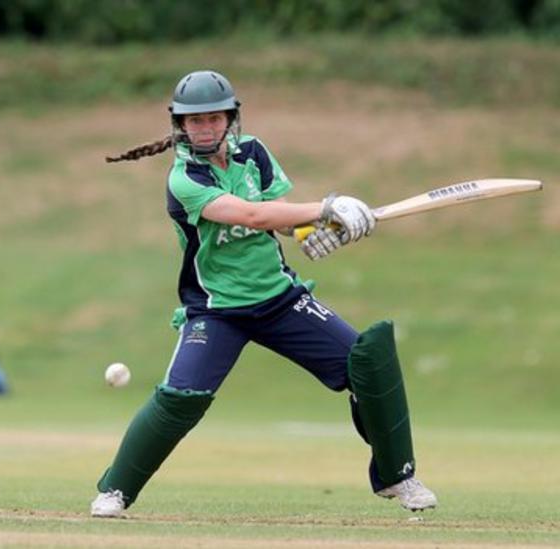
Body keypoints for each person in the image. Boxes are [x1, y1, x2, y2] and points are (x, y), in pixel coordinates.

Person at [90, 70, 437, 517]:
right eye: (195, 121)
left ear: (231, 118)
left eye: (215, 118)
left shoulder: (253, 153)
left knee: (366, 363)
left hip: (281, 301)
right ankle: (116, 489)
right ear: (180, 125)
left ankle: (398, 476)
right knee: (181, 397)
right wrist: (328, 205)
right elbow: (250, 214)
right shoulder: (184, 179)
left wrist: (316, 229)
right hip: (217, 310)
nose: (206, 128)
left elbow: (277, 216)